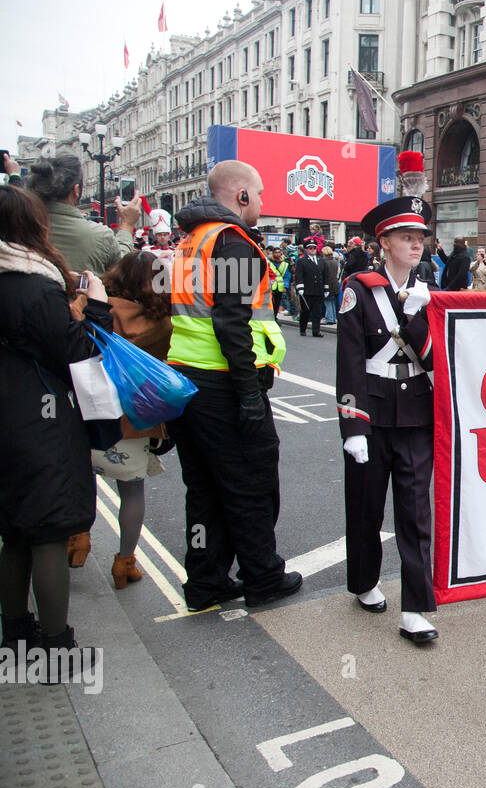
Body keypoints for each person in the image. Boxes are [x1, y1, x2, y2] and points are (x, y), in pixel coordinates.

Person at [166, 159, 299, 611]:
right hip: (223, 384)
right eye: (259, 194)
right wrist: (248, 395)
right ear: (242, 195)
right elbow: (231, 323)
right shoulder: (232, 242)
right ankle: (263, 576)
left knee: (204, 488)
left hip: (186, 379)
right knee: (251, 482)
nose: (262, 203)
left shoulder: (190, 241)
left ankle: (206, 583)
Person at [0, 183, 113, 665]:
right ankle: (55, 647)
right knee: (47, 531)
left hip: (8, 416)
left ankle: (15, 635)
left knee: (14, 532)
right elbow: (79, 353)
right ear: (33, 227)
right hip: (39, 419)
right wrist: (99, 306)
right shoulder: (34, 285)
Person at [336, 196, 439, 645]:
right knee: (365, 506)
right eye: (406, 237)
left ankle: (415, 607)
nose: (416, 245)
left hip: (416, 411)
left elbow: (437, 359)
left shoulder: (428, 289)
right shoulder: (357, 289)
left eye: (420, 238)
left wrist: (417, 315)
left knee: (416, 514)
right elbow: (350, 363)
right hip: (373, 412)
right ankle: (363, 581)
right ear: (384, 242)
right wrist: (353, 425)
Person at [96, 251, 174, 589]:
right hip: (136, 414)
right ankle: (124, 562)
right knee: (131, 491)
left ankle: (78, 541)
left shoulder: (98, 308)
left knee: (82, 482)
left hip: (92, 408)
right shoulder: (164, 319)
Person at [27, 153, 142, 274]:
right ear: (76, 190)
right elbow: (123, 268)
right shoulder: (100, 235)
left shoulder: (21, 227)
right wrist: (127, 224)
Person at [295, 238, 329, 337]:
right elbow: (299, 275)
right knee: (305, 311)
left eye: (314, 247)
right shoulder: (302, 261)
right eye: (310, 248)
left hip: (318, 290)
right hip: (307, 290)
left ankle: (316, 331)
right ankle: (303, 329)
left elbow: (325, 275)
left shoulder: (321, 260)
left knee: (317, 312)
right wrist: (300, 288)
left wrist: (326, 288)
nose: (312, 249)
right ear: (306, 249)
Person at [268, 245, 290, 317]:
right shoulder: (269, 262)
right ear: (273, 253)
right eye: (275, 252)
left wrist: (285, 286)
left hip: (279, 287)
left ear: (281, 253)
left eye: (278, 252)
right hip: (270, 287)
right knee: (270, 304)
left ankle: (275, 318)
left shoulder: (284, 264)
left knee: (277, 304)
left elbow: (286, 276)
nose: (277, 254)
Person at [321, 245, 341, 324]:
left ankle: (329, 318)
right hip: (334, 283)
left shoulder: (324, 262)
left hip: (327, 284)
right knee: (332, 301)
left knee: (327, 302)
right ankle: (332, 318)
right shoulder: (335, 262)